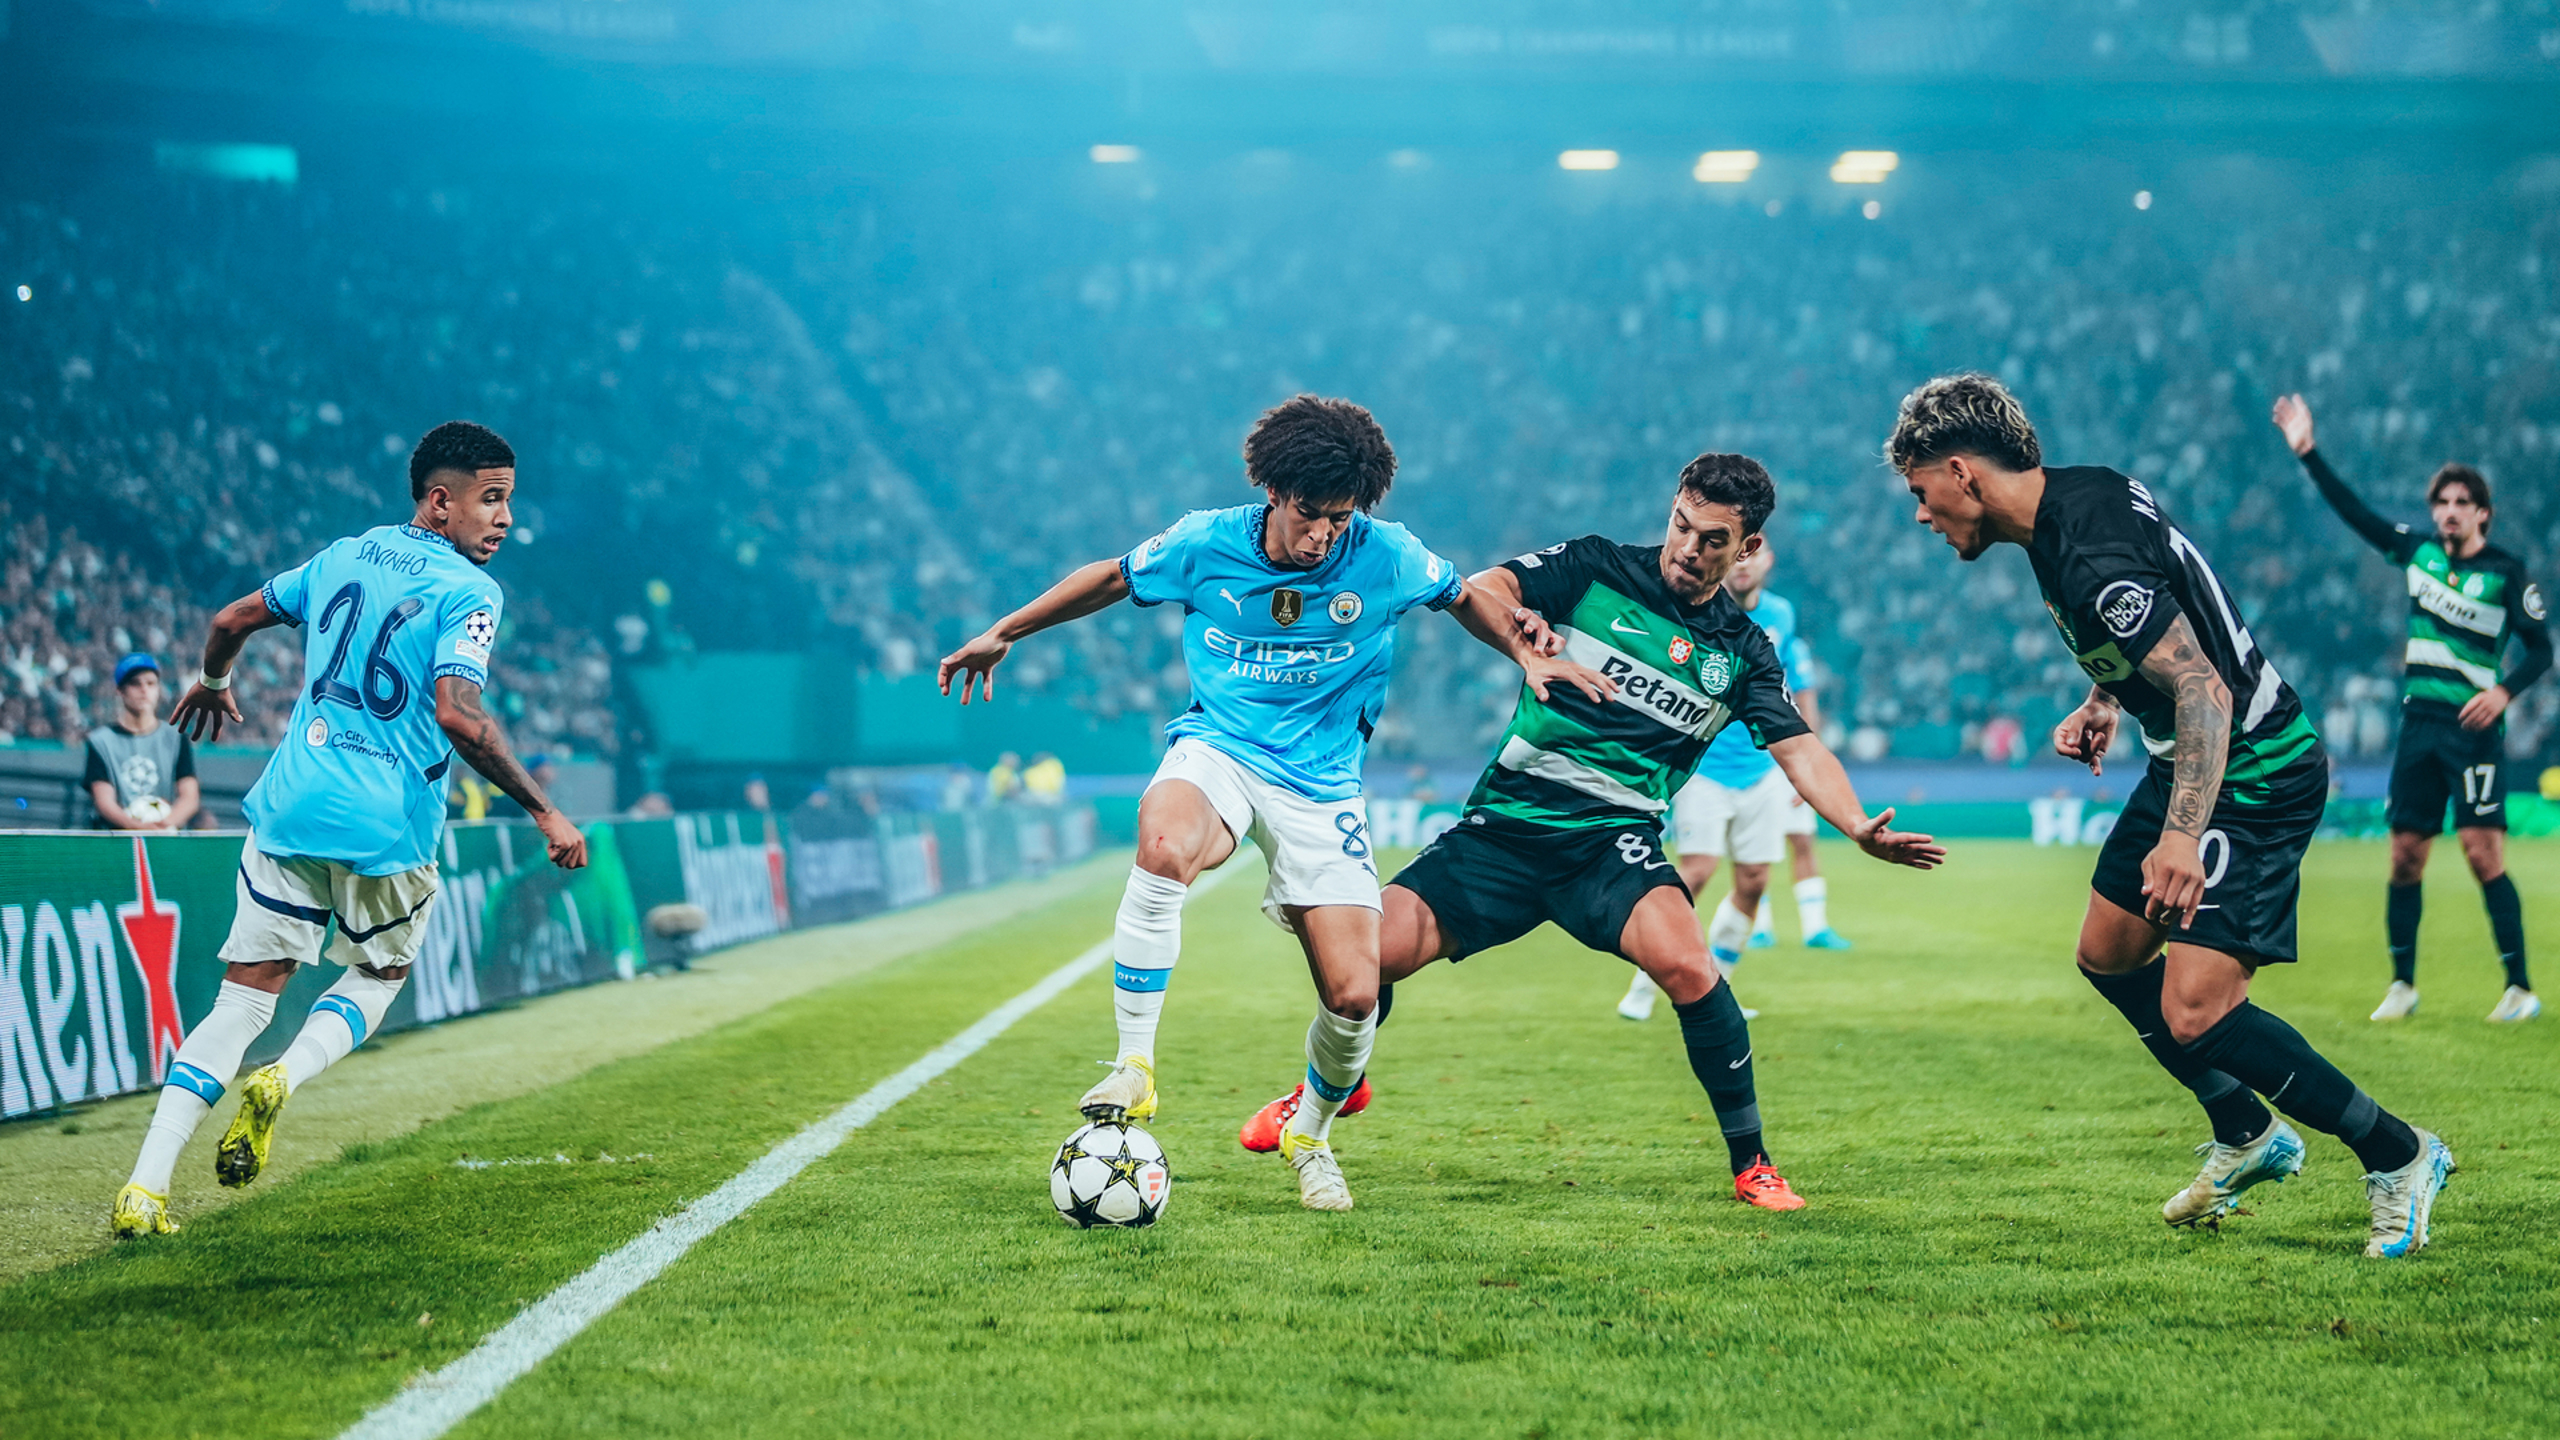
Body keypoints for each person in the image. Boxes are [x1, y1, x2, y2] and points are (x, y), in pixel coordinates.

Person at [1237, 454, 1943, 1212]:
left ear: (1747, 548)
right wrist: (1524, 632)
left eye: (1712, 539)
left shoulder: (1741, 651)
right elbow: (1486, 588)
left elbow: (1798, 746)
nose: (1687, 548)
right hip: (1502, 832)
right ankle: (1334, 1083)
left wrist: (1856, 826)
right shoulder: (1596, 568)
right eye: (1681, 525)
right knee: (1360, 957)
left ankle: (1753, 1165)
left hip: (1611, 844)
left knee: (1690, 968)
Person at [1894, 373, 2453, 1258]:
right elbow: (2160, 624)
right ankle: (2246, 1131)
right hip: (2183, 756)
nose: (1921, 515)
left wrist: (2184, 838)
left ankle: (2401, 1154)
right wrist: (2106, 699)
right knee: (2107, 952)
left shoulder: (2083, 550)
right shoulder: (2080, 498)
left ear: (1961, 472)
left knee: (2198, 1011)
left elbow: (2199, 684)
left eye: (1920, 492)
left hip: (2255, 767)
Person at [940, 394, 1501, 1212]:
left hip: (1323, 783)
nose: (1322, 535)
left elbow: (1464, 595)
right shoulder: (1207, 541)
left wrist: (1530, 651)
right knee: (1164, 844)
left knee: (1354, 993)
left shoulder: (1385, 555)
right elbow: (1112, 577)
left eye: (1339, 518)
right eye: (1310, 514)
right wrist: (1008, 631)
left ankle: (1310, 1132)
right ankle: (1134, 1064)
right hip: (1223, 749)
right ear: (1274, 492)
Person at [111, 422, 589, 1241]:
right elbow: (458, 714)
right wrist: (543, 807)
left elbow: (229, 618)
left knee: (241, 999)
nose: (506, 519)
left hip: (291, 805)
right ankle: (284, 1079)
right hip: (387, 825)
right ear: (442, 502)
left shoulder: (342, 555)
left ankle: (145, 1187)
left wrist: (211, 682)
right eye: (492, 499)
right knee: (377, 976)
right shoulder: (472, 594)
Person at [2271, 395, 2549, 1023]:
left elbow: (2541, 651)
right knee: (2404, 856)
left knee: (2483, 853)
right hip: (2418, 725)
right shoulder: (2417, 554)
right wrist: (2308, 453)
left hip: (2474, 731)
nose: (2448, 512)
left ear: (2484, 513)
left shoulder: (2509, 573)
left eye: (2460, 504)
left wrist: (2503, 691)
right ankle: (2402, 984)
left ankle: (2520, 987)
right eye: (2441, 503)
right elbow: (2355, 514)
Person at [1616, 540, 1843, 1024]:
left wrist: (1805, 770)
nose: (1744, 568)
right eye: (1736, 560)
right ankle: (1641, 987)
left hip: (1762, 769)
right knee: (1694, 873)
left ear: (1765, 560)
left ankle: (1720, 991)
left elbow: (1795, 691)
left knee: (1755, 880)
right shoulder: (1691, 606)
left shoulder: (1782, 616)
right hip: (1707, 766)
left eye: (1752, 558)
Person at [84, 653, 200, 831]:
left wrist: (164, 825)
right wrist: (136, 826)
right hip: (118, 842)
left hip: (166, 842)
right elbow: (103, 800)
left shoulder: (176, 738)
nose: (144, 690)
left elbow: (189, 797)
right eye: (135, 683)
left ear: (158, 689)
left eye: (151, 683)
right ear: (120, 690)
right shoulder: (100, 741)